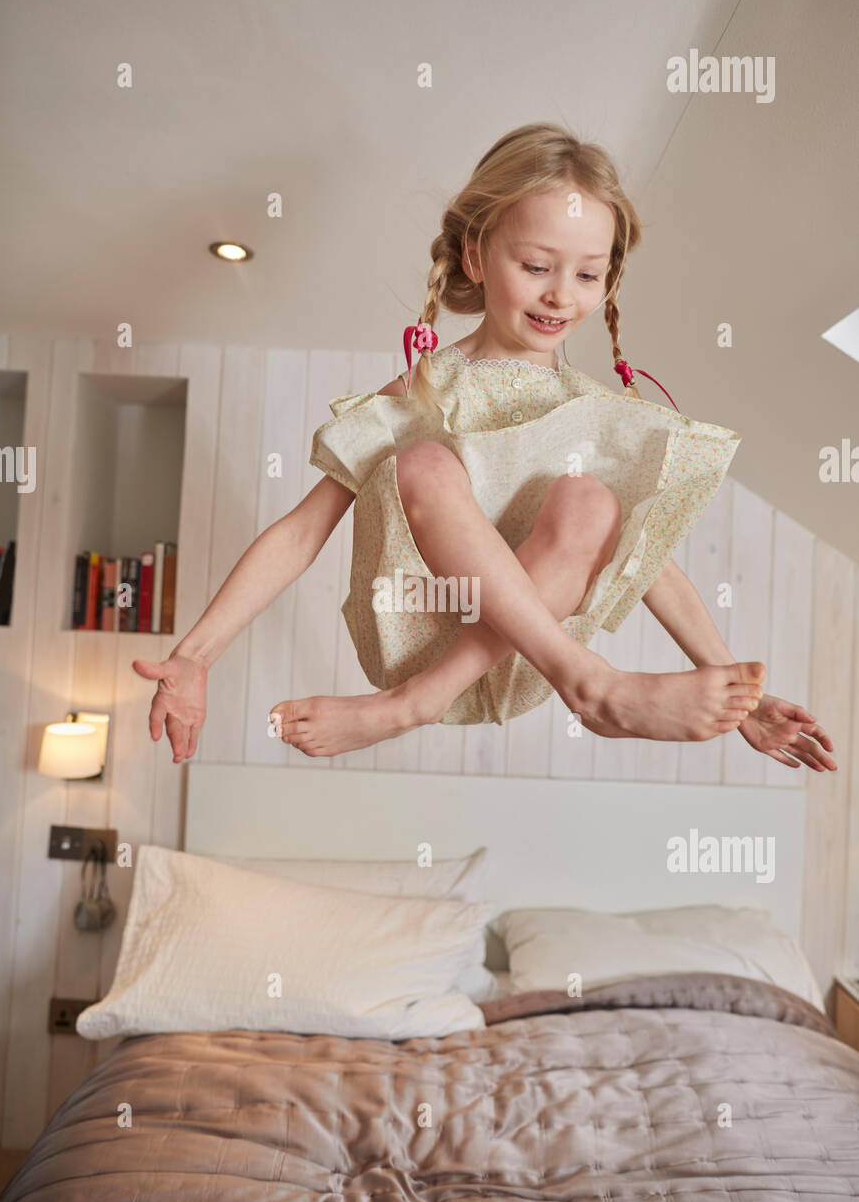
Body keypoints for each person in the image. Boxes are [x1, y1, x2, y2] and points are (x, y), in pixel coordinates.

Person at [134, 123, 835, 774]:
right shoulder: (424, 388)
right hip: (423, 622)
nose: (561, 295)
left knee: (595, 501)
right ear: (476, 252)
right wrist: (195, 655)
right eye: (537, 266)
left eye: (588, 275)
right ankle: (581, 684)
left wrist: (732, 685)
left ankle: (426, 704)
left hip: (521, 657)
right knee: (424, 458)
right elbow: (300, 534)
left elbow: (649, 561)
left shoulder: (594, 412)